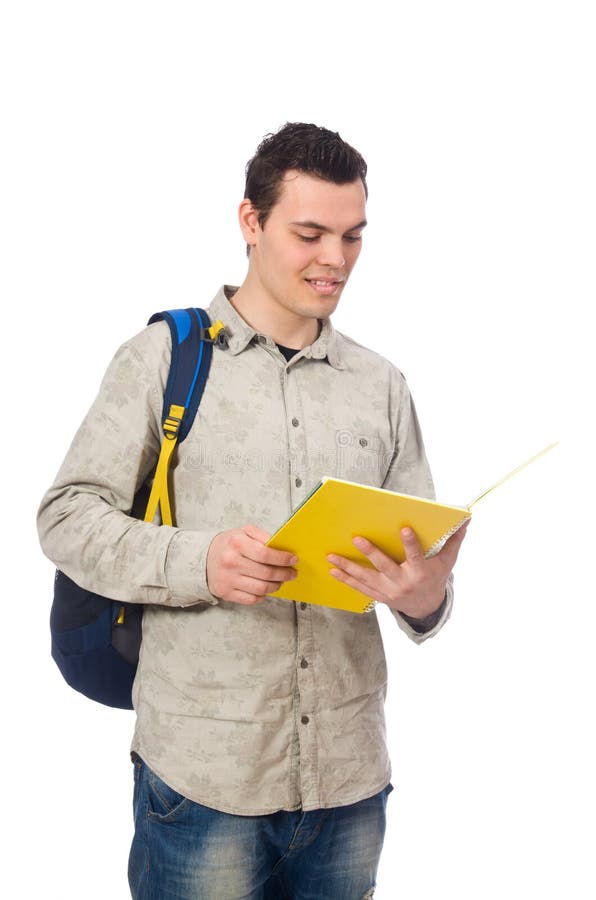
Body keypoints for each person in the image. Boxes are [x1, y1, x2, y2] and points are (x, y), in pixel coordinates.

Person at [38, 122, 468, 900]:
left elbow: (421, 584)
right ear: (250, 222)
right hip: (204, 782)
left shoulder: (382, 384)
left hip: (348, 782)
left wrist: (425, 597)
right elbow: (66, 516)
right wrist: (199, 561)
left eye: (352, 236)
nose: (334, 260)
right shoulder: (162, 359)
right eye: (309, 234)